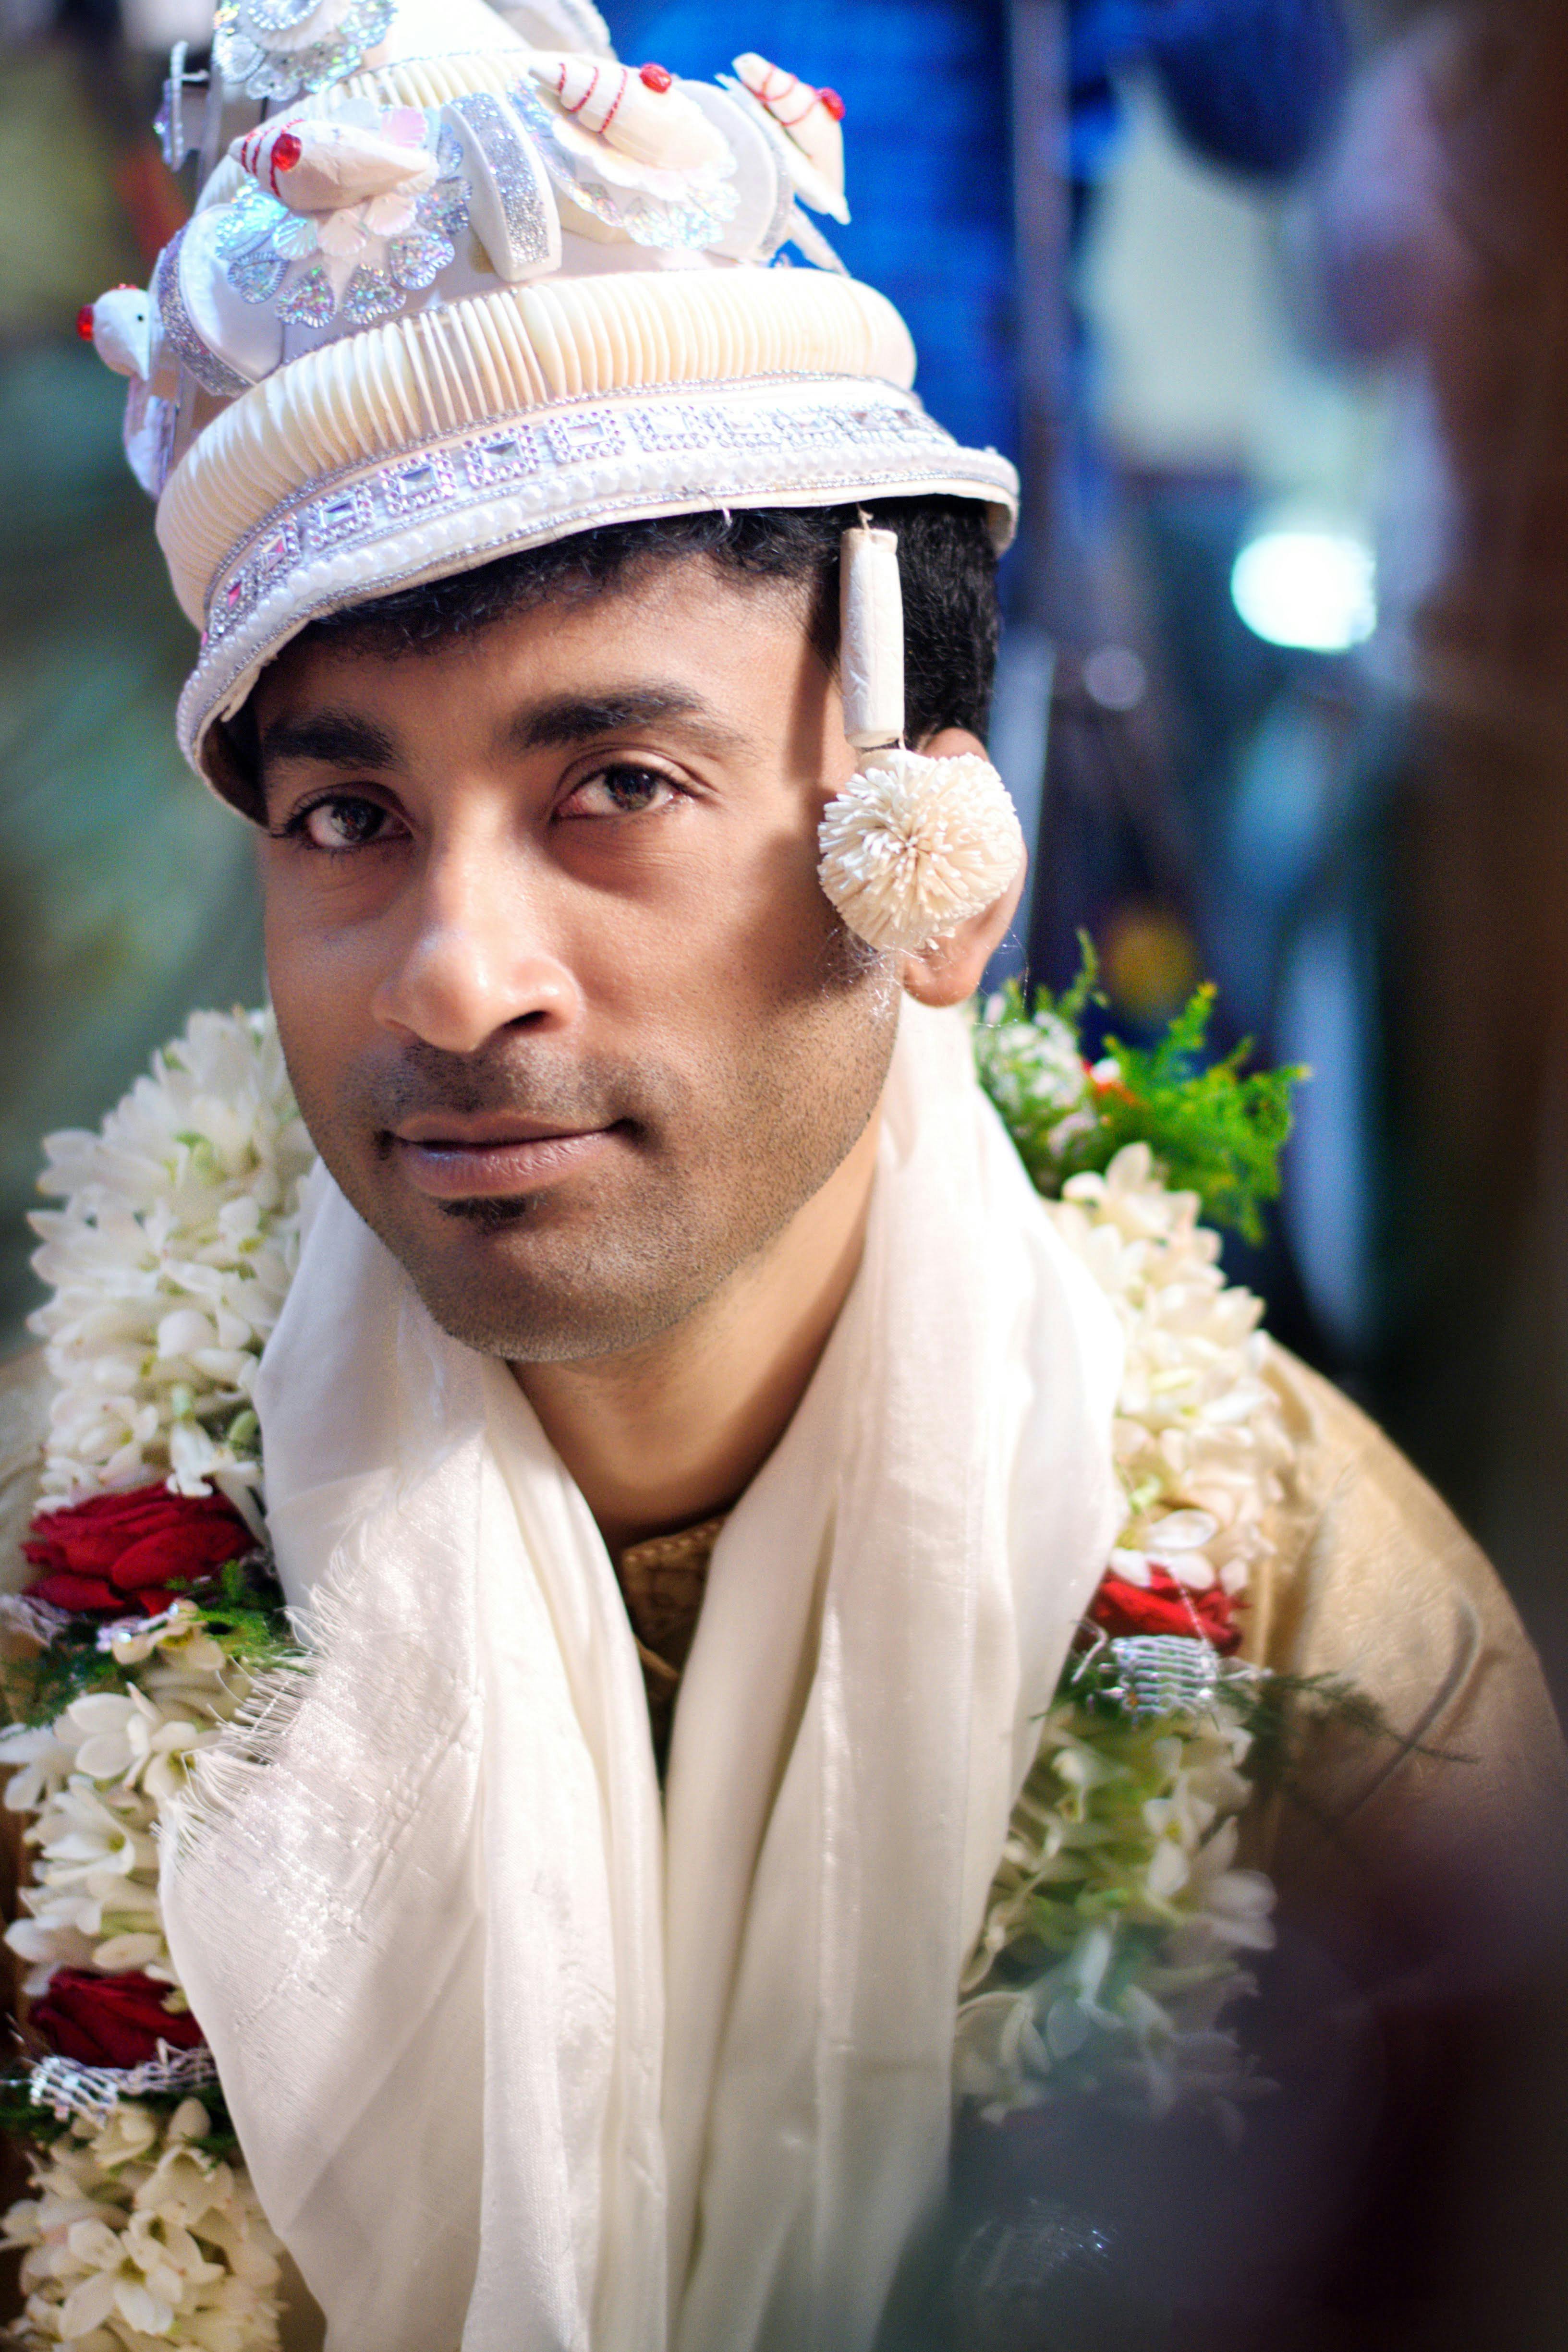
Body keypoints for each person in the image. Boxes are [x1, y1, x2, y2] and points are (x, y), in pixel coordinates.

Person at [3, 2, 1566, 2348]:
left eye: (615, 784)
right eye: (348, 818)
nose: (456, 978)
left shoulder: (1327, 1656)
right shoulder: (56, 1589)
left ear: (923, 852)